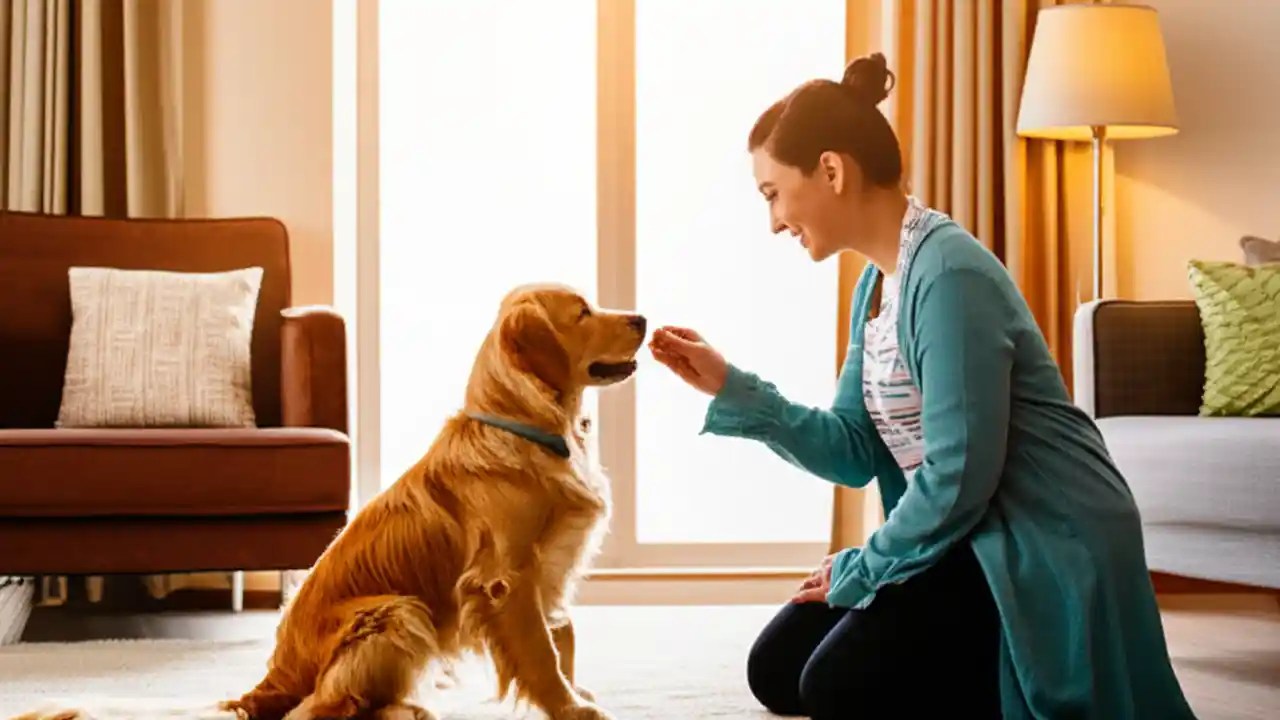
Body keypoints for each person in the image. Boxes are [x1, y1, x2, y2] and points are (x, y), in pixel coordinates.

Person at [648, 53, 1197, 720]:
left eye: (772, 194)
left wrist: (865, 567)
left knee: (835, 685)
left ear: (830, 170)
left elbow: (960, 473)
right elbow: (852, 447)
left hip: (1037, 535)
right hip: (965, 528)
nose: (773, 221)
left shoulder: (948, 273)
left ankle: (1003, 672)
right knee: (778, 670)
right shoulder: (876, 288)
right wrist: (730, 385)